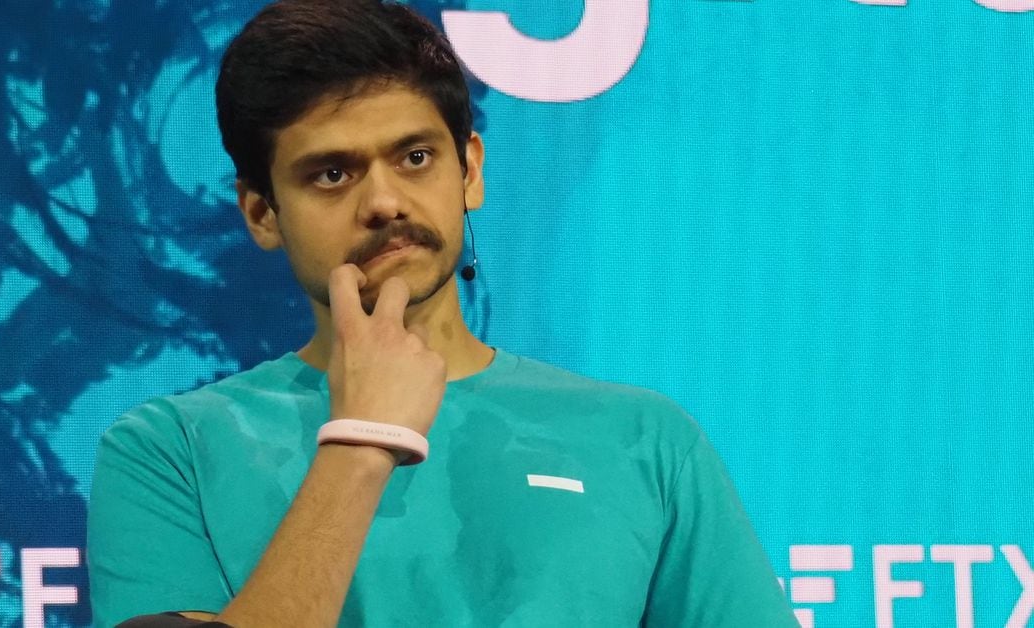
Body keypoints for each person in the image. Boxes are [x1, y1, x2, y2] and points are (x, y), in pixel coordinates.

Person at [86, 1, 799, 626]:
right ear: (261, 213)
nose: (384, 202)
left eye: (416, 157)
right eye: (332, 174)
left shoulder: (646, 440)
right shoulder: (169, 452)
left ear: (471, 171)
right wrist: (363, 440)